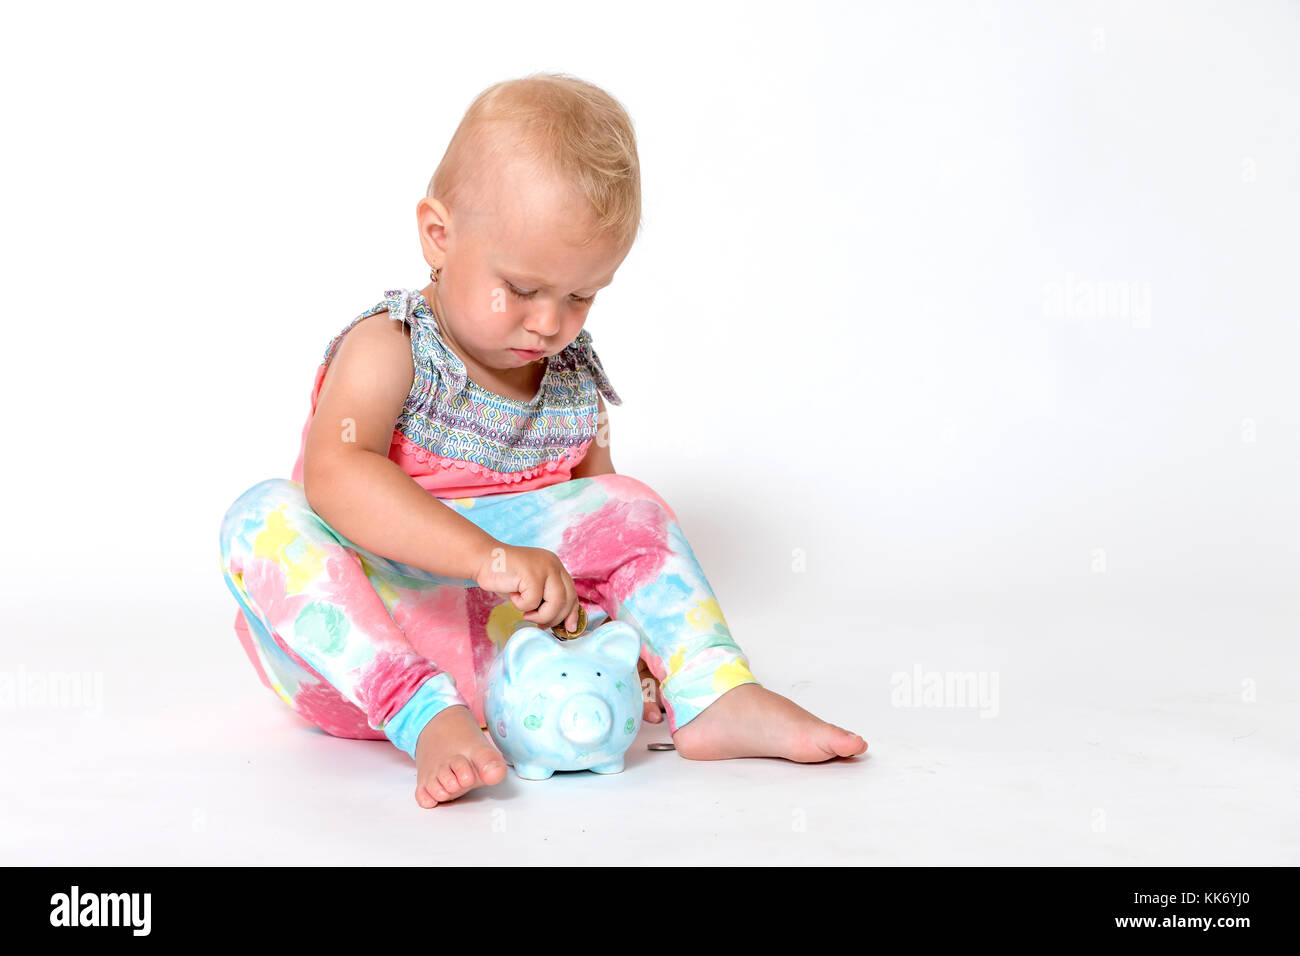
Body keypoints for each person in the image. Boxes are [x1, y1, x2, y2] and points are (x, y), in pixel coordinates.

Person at [218, 72, 867, 809]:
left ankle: (712, 690)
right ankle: (426, 717)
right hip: (356, 654)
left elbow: (600, 552)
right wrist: (485, 558)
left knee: (631, 507)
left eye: (581, 295)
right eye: (523, 289)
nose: (550, 323)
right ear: (439, 234)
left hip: (513, 665)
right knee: (261, 518)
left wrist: (631, 651)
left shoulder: (572, 386)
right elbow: (336, 480)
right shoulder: (391, 347)